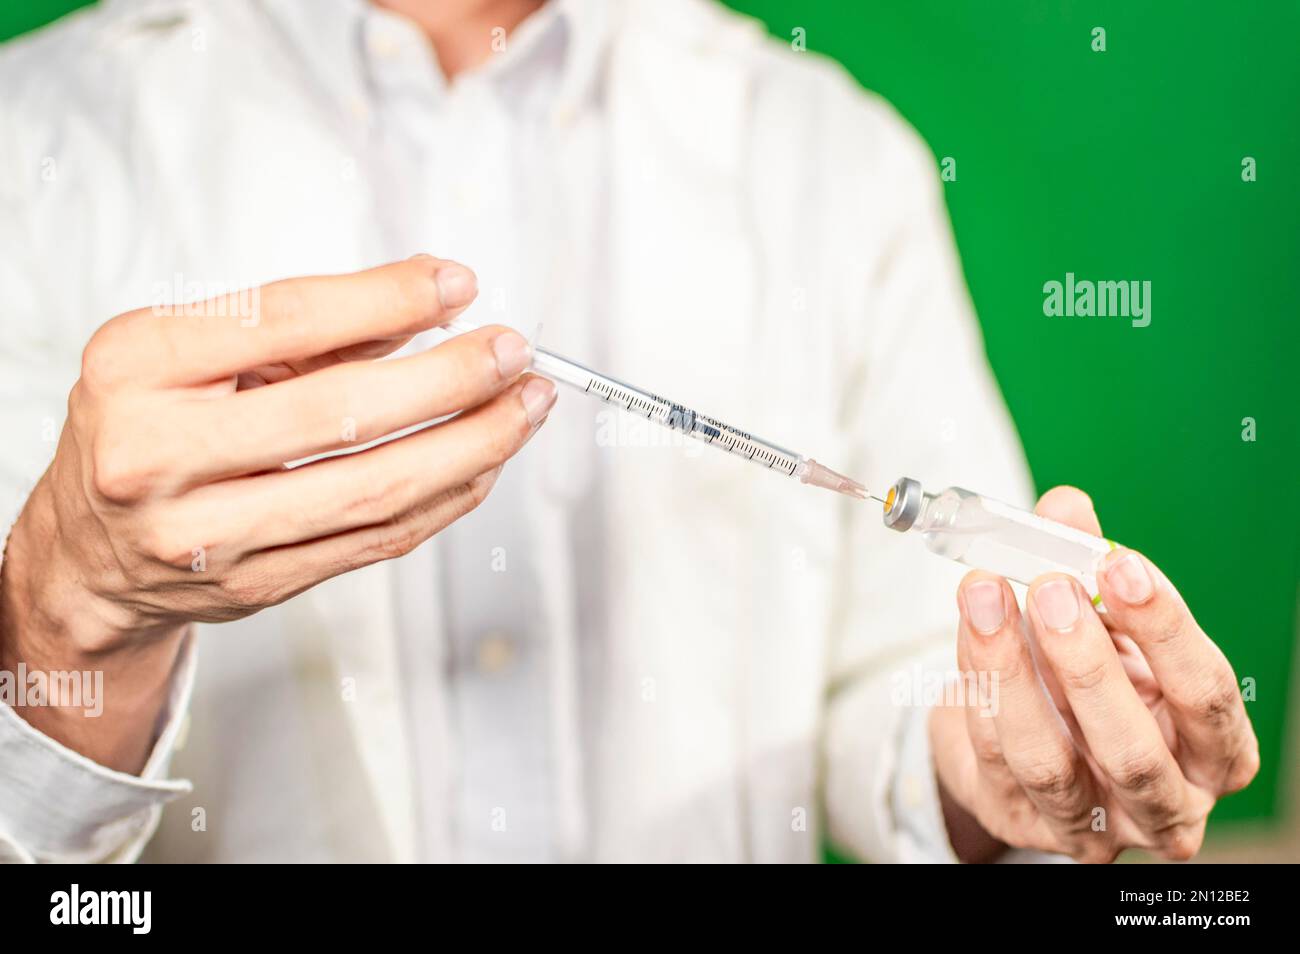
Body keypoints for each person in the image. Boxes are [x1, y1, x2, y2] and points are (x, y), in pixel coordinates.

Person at [0, 0, 1257, 863]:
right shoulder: (37, 138)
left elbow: (916, 689)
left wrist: (1012, 760)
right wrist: (68, 620)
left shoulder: (827, 149)